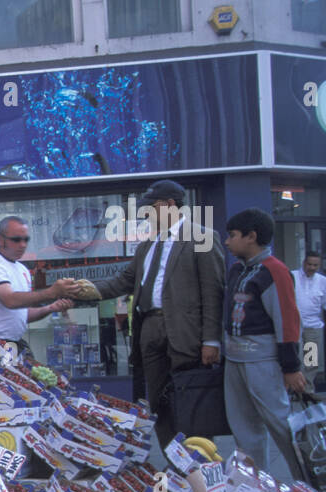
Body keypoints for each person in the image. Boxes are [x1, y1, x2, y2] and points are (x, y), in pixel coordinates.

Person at [87, 180, 226, 446]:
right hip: (150, 329)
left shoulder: (201, 237)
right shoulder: (147, 245)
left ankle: (198, 464)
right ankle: (174, 464)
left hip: (187, 334)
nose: (146, 214)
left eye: (150, 208)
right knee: (158, 403)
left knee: (190, 403)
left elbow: (213, 292)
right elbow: (122, 282)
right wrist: (83, 290)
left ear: (170, 205)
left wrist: (212, 340)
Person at [221, 208, 305, 480]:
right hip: (234, 361)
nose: (227, 241)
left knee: (282, 425)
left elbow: (288, 322)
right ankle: (255, 486)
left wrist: (291, 367)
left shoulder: (276, 271)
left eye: (232, 235)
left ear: (251, 237)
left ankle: (310, 486)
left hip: (263, 361)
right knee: (244, 429)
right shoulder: (236, 270)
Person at [0, 216, 77, 354]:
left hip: (10, 345)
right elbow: (10, 300)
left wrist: (50, 308)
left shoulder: (23, 270)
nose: (22, 245)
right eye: (16, 239)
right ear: (0, 239)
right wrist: (51, 292)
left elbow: (22, 315)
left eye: (26, 239)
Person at [291, 251, 326, 389]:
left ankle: (306, 391)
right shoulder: (292, 276)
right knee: (293, 359)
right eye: (309, 264)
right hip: (293, 325)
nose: (312, 267)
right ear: (304, 263)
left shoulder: (322, 281)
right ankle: (291, 390)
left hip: (312, 327)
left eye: (315, 265)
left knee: (311, 361)